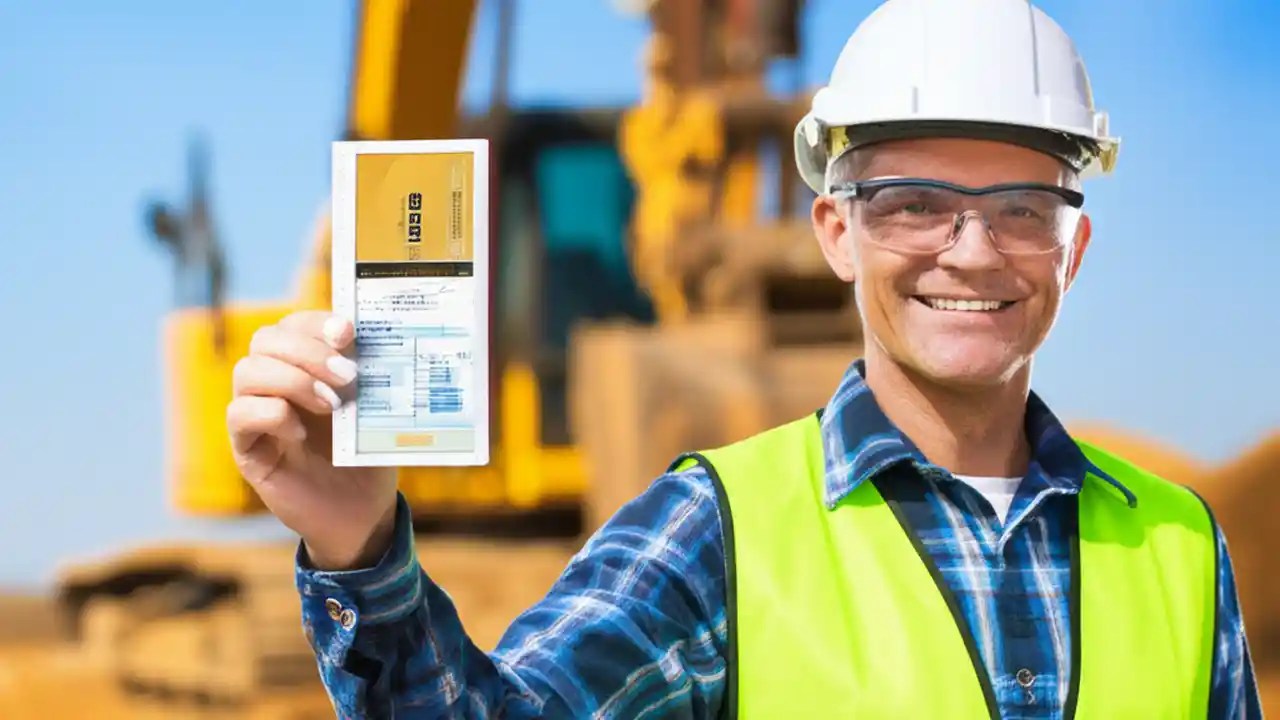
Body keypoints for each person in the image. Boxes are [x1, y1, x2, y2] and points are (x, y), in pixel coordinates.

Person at [226, 0, 1263, 717]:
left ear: (1070, 248)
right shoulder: (713, 532)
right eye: (911, 205)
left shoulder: (1177, 545)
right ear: (832, 233)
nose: (972, 250)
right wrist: (359, 547)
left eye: (1021, 210)